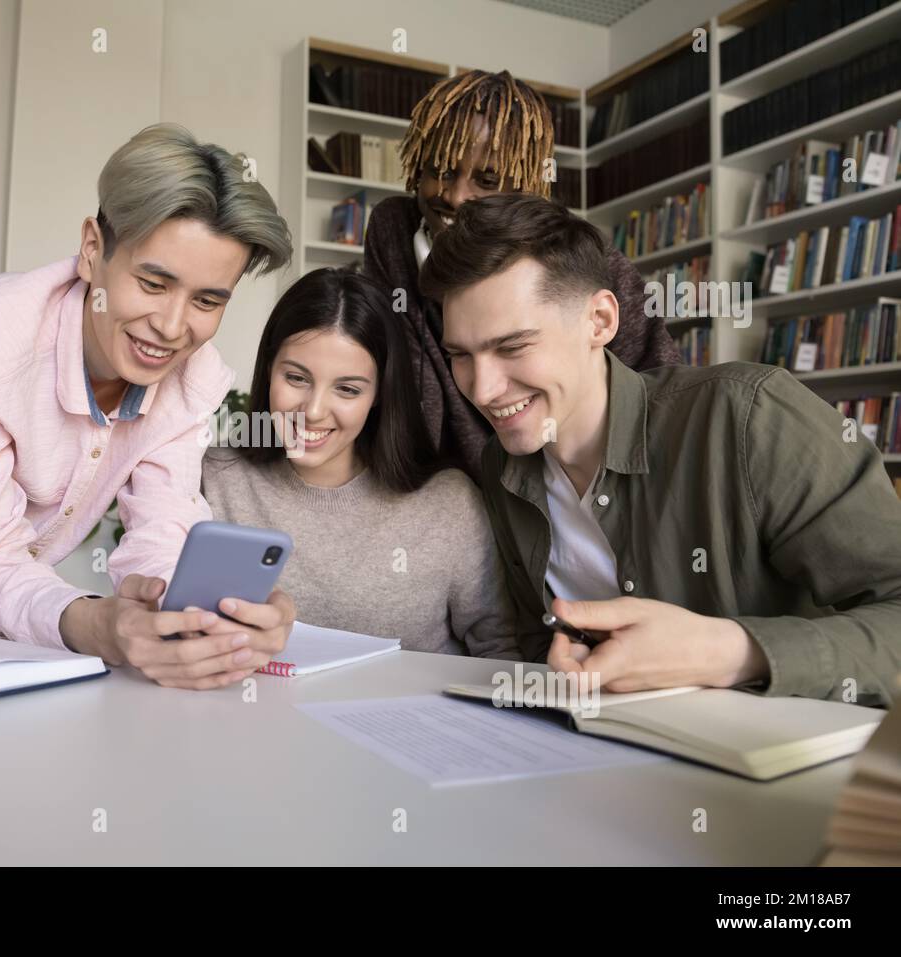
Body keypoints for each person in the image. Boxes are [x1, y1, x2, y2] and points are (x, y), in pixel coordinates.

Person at [422, 192, 901, 705]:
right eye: (460, 355)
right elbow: (540, 641)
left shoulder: (748, 416)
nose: (483, 389)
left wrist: (728, 651)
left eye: (512, 346)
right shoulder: (501, 464)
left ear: (600, 321)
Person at [0, 124, 297, 690]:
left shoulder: (192, 381)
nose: (172, 328)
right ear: (93, 251)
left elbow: (162, 527)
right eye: (152, 283)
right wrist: (97, 623)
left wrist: (201, 614)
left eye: (206, 300)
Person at [364, 68, 680, 482]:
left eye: (487, 179)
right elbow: (402, 379)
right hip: (442, 490)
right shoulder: (394, 228)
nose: (456, 195)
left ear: (528, 182)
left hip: (552, 484)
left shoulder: (577, 254)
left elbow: (658, 388)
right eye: (439, 170)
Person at [202, 267, 521, 659]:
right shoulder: (214, 479)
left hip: (409, 720)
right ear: (269, 370)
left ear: (378, 395)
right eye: (297, 378)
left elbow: (502, 651)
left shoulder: (447, 503)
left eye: (347, 389)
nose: (314, 411)